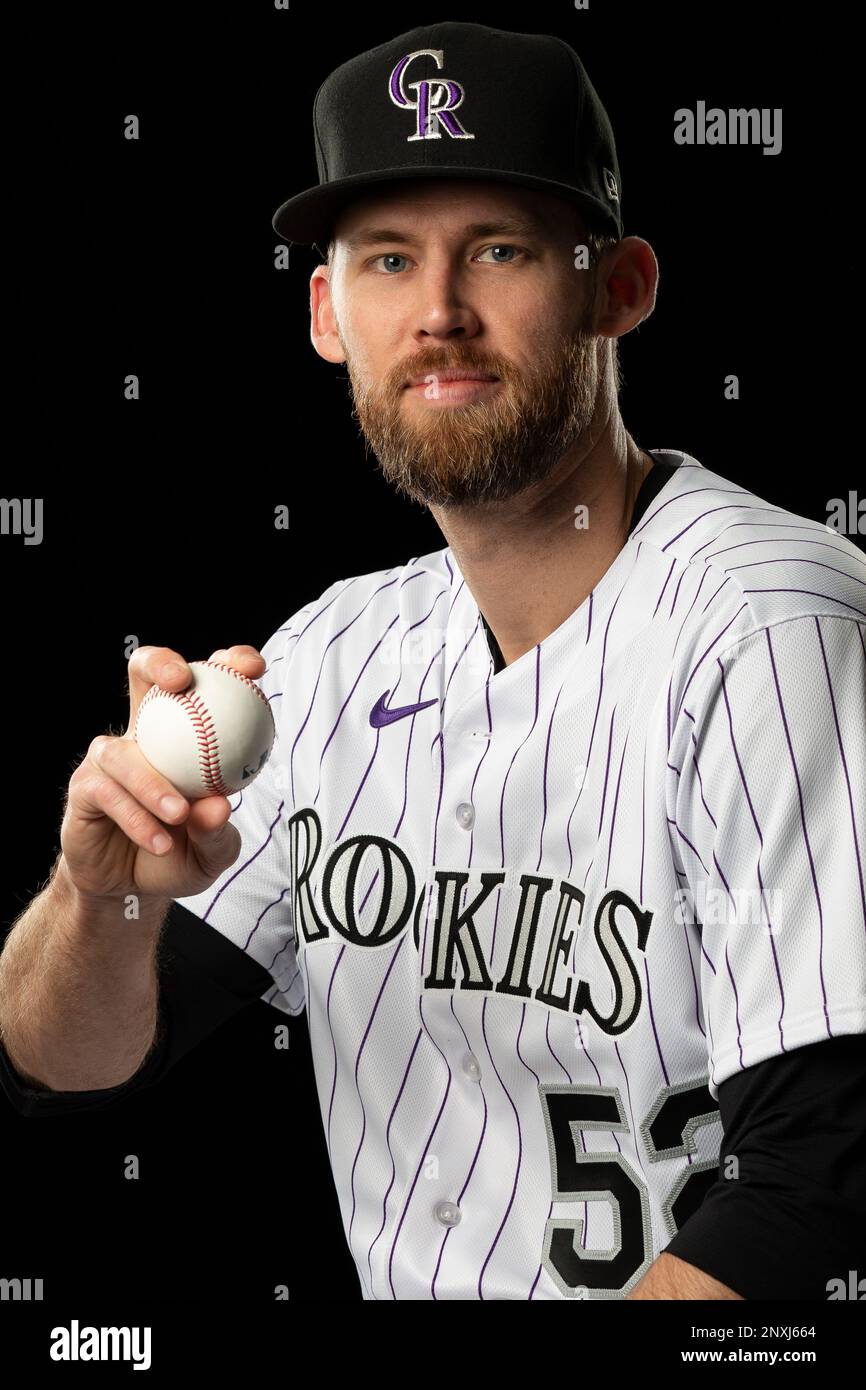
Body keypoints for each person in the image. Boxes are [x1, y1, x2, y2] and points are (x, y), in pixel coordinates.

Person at [2, 21, 864, 1301]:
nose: (440, 314)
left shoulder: (773, 622)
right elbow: (63, 1069)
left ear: (617, 288)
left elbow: (822, 1184)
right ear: (325, 315)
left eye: (500, 251)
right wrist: (102, 894)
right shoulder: (329, 659)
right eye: (389, 259)